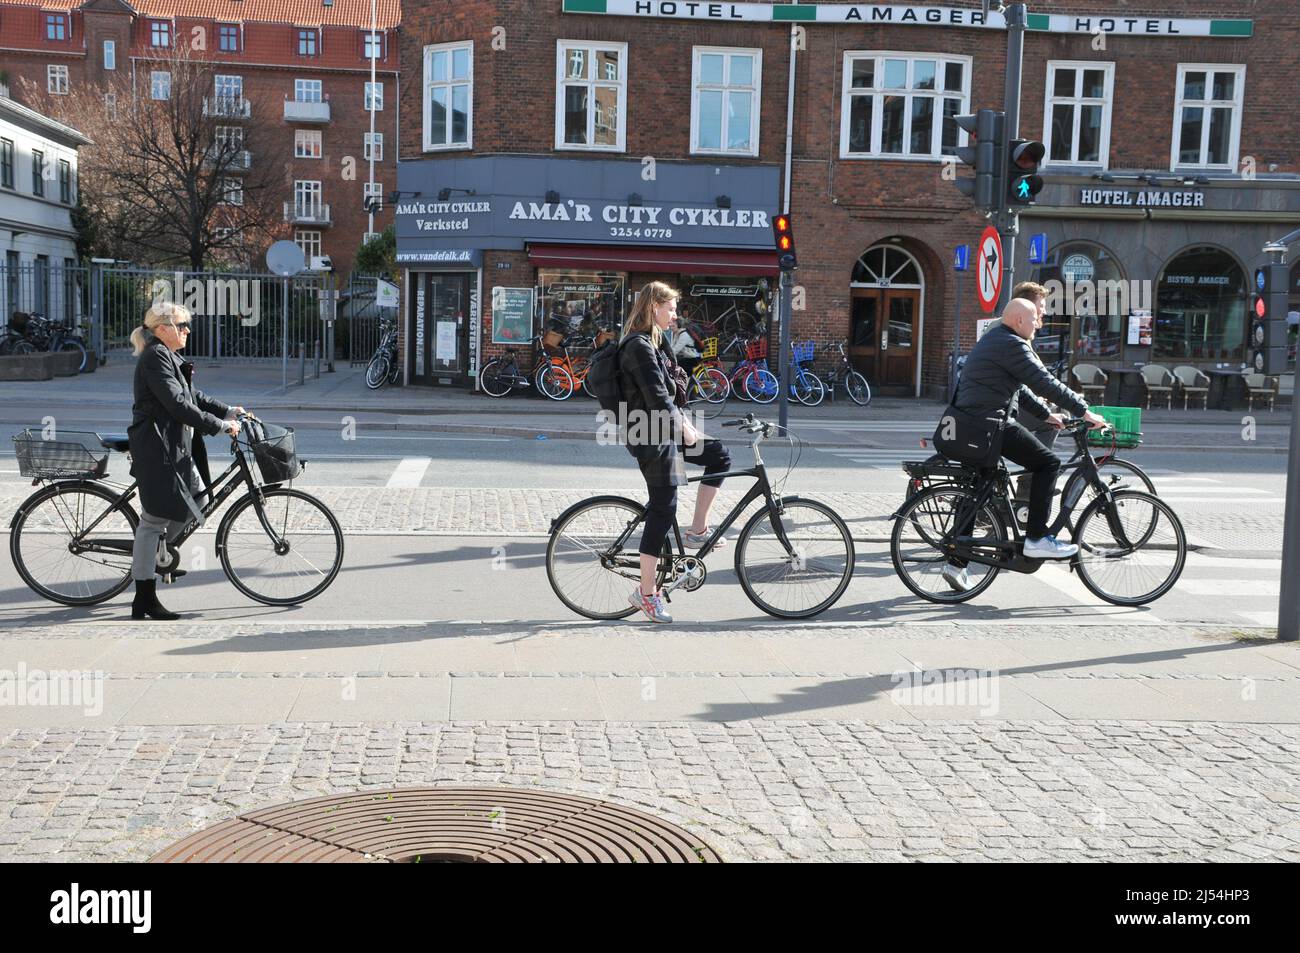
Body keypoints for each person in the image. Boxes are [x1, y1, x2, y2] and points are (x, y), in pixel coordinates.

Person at [941, 297, 1107, 592]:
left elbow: (1020, 388)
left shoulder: (996, 339)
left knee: (977, 488)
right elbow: (1044, 382)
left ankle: (955, 565)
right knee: (1048, 463)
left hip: (971, 424)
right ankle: (1037, 540)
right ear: (1019, 320)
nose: (1038, 325)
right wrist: (1084, 411)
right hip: (990, 425)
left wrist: (1047, 416)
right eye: (1034, 320)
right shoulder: (1013, 344)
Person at [618, 281, 731, 623]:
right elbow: (656, 394)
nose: (675, 314)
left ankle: (697, 530)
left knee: (719, 456)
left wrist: (681, 418)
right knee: (664, 510)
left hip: (663, 426)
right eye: (670, 308)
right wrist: (682, 424)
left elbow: (675, 383)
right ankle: (646, 593)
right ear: (654, 306)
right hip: (647, 432)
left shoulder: (658, 340)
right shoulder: (637, 345)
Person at [127, 302, 246, 620]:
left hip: (173, 447)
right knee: (153, 522)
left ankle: (158, 555)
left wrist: (227, 411)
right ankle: (144, 599)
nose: (187, 330)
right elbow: (177, 404)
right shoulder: (155, 357)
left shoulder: (168, 355)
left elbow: (195, 395)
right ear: (162, 328)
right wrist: (218, 426)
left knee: (199, 500)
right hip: (157, 448)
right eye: (182, 325)